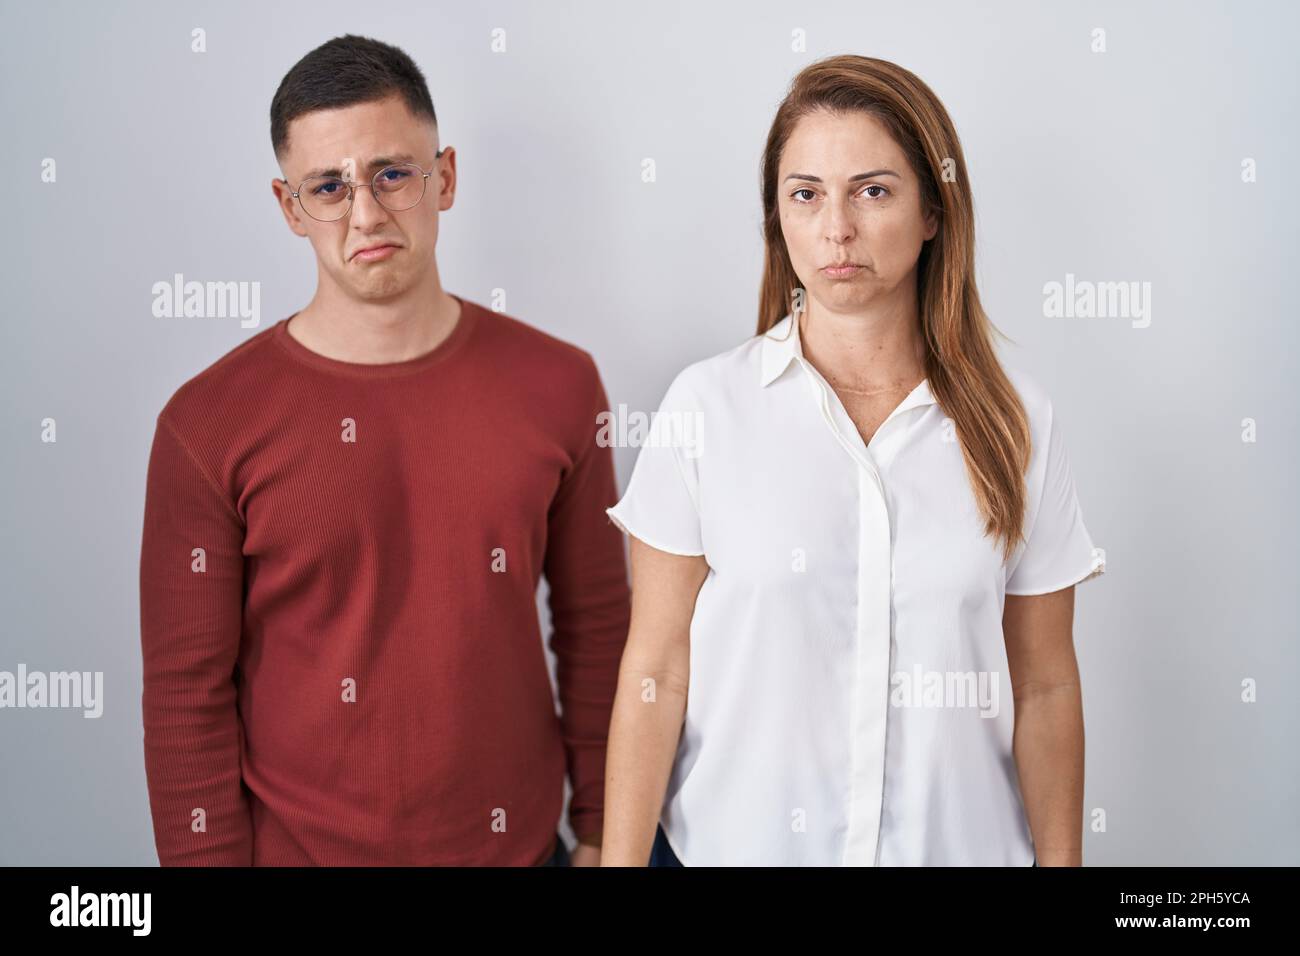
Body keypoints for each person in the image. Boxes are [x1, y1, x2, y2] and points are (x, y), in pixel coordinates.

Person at [600, 55, 1104, 867]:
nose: (836, 229)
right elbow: (657, 666)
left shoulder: (1017, 422)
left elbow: (1046, 686)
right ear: (778, 218)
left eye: (872, 191)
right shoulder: (705, 408)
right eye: (806, 195)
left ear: (934, 211)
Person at [138, 34, 629, 866]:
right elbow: (186, 698)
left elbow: (598, 630)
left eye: (392, 173)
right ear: (290, 207)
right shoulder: (206, 424)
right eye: (329, 186)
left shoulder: (559, 385)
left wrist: (603, 835)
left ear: (445, 176)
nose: (366, 213)